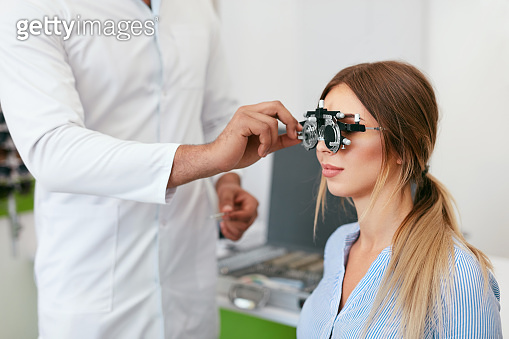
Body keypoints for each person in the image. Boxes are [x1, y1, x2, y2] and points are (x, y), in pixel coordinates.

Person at [0, 1, 300, 338]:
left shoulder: (196, 8)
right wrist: (209, 158)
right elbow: (51, 149)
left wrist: (227, 181)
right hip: (96, 291)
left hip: (189, 291)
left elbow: (217, 115)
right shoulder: (31, 8)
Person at [297, 61, 502, 338]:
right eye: (322, 129)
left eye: (343, 130)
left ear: (406, 146)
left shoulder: (457, 275)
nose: (322, 147)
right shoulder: (338, 246)